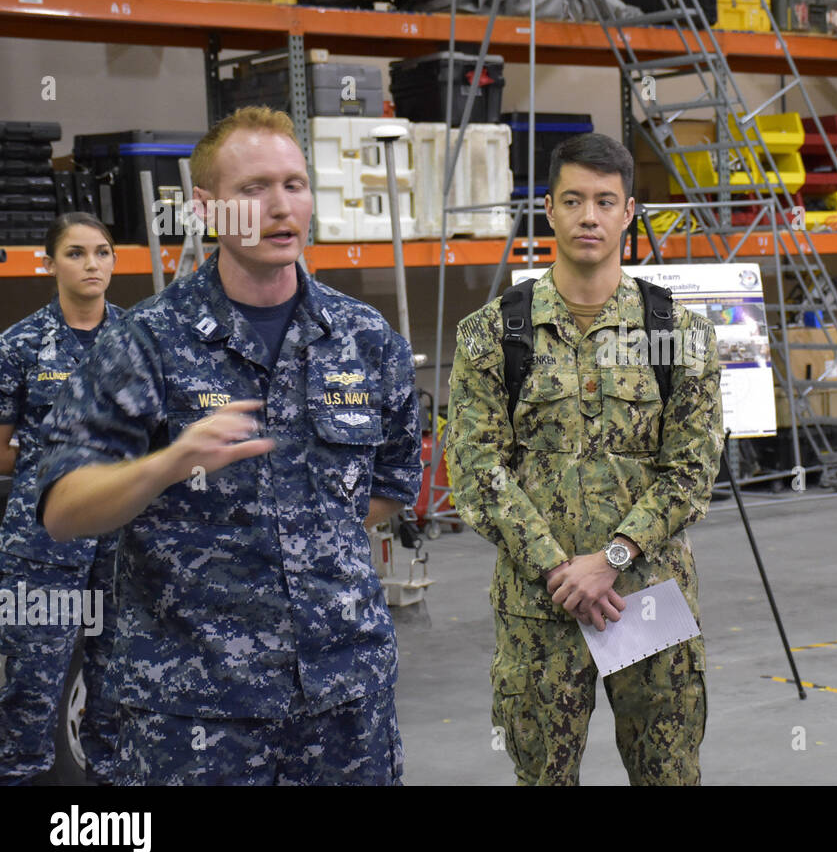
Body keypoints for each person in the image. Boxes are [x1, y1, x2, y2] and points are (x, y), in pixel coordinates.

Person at [35, 106, 422, 785]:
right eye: (254, 190)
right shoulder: (145, 342)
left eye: (295, 184)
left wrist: (290, 537)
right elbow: (63, 509)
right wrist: (168, 464)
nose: (281, 206)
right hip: (190, 713)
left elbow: (390, 486)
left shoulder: (364, 337)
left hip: (345, 700)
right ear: (209, 209)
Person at [446, 132, 723, 785]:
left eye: (605, 201)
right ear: (548, 208)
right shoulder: (496, 333)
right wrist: (557, 568)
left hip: (645, 600)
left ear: (629, 211)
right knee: (543, 777)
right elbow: (477, 473)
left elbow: (692, 469)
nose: (589, 217)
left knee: (668, 775)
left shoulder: (674, 334)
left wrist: (612, 559)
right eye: (573, 200)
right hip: (541, 608)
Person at [0, 213, 123, 784]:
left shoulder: (139, 339)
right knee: (33, 680)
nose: (91, 264)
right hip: (45, 543)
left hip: (124, 539)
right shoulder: (19, 345)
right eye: (76, 253)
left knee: (121, 675)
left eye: (101, 252)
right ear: (51, 263)